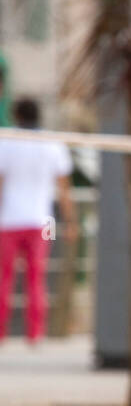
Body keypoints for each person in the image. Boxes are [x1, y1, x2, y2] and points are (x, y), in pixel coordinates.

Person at [0, 98, 77, 343]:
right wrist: (71, 222)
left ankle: (1, 332)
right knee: (38, 277)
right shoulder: (53, 143)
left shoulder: (6, 141)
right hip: (45, 222)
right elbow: (64, 188)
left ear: (16, 115)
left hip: (9, 220)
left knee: (4, 278)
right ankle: (35, 334)